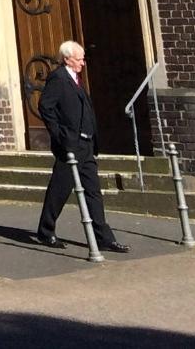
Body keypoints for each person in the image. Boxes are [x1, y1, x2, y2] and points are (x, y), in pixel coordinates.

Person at [34, 39, 129, 252]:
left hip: (86, 145)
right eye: (79, 59)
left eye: (83, 59)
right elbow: (45, 107)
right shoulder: (58, 78)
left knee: (93, 191)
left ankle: (104, 237)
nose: (83, 63)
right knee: (60, 189)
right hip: (70, 145)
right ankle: (46, 231)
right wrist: (61, 136)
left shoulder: (75, 78)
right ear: (67, 59)